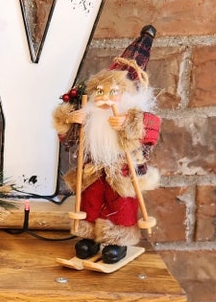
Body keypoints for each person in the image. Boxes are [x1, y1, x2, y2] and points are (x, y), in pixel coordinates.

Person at [52, 24, 160, 266]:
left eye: (113, 91)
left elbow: (151, 132)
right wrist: (70, 119)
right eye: (100, 90)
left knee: (119, 205)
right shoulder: (89, 115)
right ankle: (89, 238)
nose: (104, 97)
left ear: (128, 94)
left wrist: (128, 123)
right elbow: (66, 139)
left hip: (122, 172)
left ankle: (116, 242)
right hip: (93, 170)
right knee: (90, 202)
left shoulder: (136, 114)